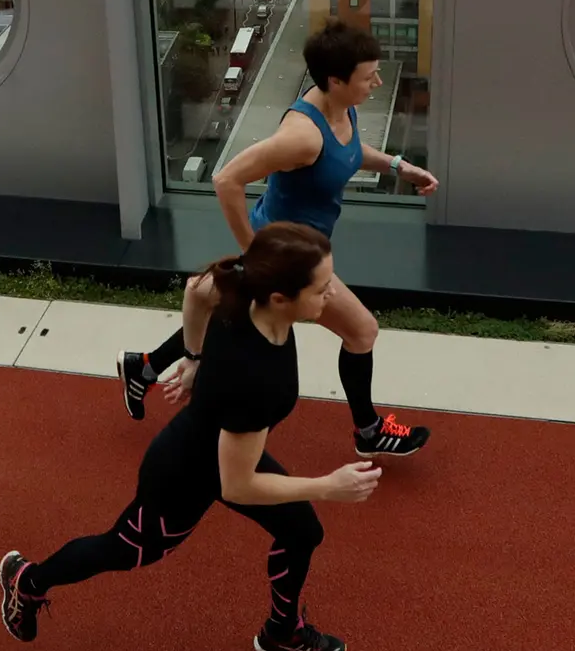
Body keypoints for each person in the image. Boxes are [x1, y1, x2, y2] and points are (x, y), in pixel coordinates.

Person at [0, 223, 379, 651]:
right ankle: (28, 581)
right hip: (185, 471)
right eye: (321, 288)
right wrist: (327, 486)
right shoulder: (259, 380)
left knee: (302, 531)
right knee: (125, 550)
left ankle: (281, 630)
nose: (332, 295)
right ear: (280, 298)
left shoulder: (238, 288)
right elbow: (238, 486)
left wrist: (194, 356)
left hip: (228, 449)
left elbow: (196, 291)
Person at [119, 24, 439, 458]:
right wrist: (255, 253)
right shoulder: (301, 136)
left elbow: (348, 151)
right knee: (361, 329)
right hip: (285, 258)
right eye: (369, 77)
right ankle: (367, 431)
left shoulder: (342, 110)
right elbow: (225, 178)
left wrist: (399, 166)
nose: (377, 83)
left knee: (227, 312)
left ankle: (146, 366)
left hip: (299, 251)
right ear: (335, 80)